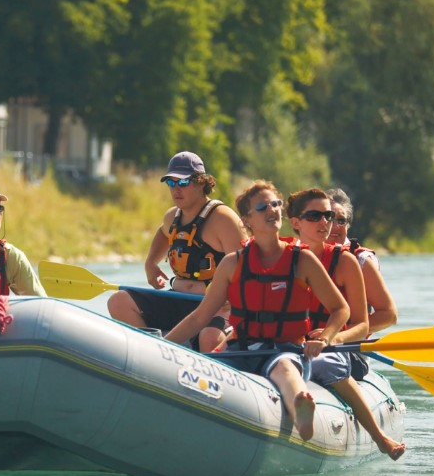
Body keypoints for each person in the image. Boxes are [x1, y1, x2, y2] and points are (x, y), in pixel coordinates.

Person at [165, 180, 348, 441]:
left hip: (285, 349)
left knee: (284, 369)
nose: (272, 210)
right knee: (205, 370)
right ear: (247, 219)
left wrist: (324, 338)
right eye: (263, 207)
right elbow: (199, 317)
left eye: (276, 204)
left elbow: (340, 309)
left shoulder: (302, 260)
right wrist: (160, 345)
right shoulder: (232, 264)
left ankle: (300, 408)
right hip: (240, 349)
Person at [288, 187, 405, 459]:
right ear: (299, 223)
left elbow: (387, 314)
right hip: (299, 341)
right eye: (321, 216)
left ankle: (379, 436)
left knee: (326, 362)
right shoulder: (290, 256)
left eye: (338, 219)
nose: (331, 224)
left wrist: (336, 335)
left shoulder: (355, 261)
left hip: (342, 347)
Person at [107, 151, 247, 351]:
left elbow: (246, 263)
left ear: (201, 182)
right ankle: (154, 355)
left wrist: (233, 295)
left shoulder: (224, 219)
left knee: (208, 338)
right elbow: (164, 233)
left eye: (183, 183)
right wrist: (150, 263)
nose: (176, 190)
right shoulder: (172, 216)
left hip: (216, 307)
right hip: (177, 299)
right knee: (119, 301)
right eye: (171, 183)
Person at [326, 188, 397, 334]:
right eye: (329, 218)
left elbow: (389, 316)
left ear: (347, 225)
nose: (335, 226)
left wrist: (336, 334)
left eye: (341, 220)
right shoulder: (303, 256)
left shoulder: (361, 260)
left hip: (347, 348)